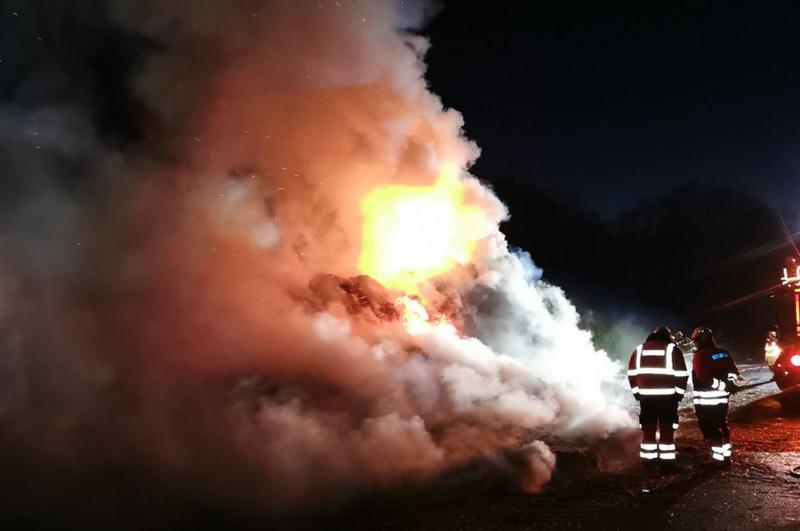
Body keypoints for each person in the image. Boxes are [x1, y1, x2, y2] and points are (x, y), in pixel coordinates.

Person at [627, 326, 689, 463]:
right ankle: (666, 462)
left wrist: (638, 394)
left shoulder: (639, 349)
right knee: (666, 429)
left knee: (648, 429)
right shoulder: (672, 349)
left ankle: (648, 461)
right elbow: (682, 374)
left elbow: (631, 374)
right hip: (668, 398)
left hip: (646, 398)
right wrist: (678, 395)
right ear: (668, 337)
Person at [690, 327, 739, 464]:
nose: (695, 344)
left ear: (700, 341)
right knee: (722, 424)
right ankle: (726, 456)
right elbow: (734, 372)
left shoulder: (701, 356)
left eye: (696, 341)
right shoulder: (723, 353)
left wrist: (722, 385)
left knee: (710, 428)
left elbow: (703, 377)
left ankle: (716, 460)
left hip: (706, 401)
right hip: (723, 399)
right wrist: (730, 384)